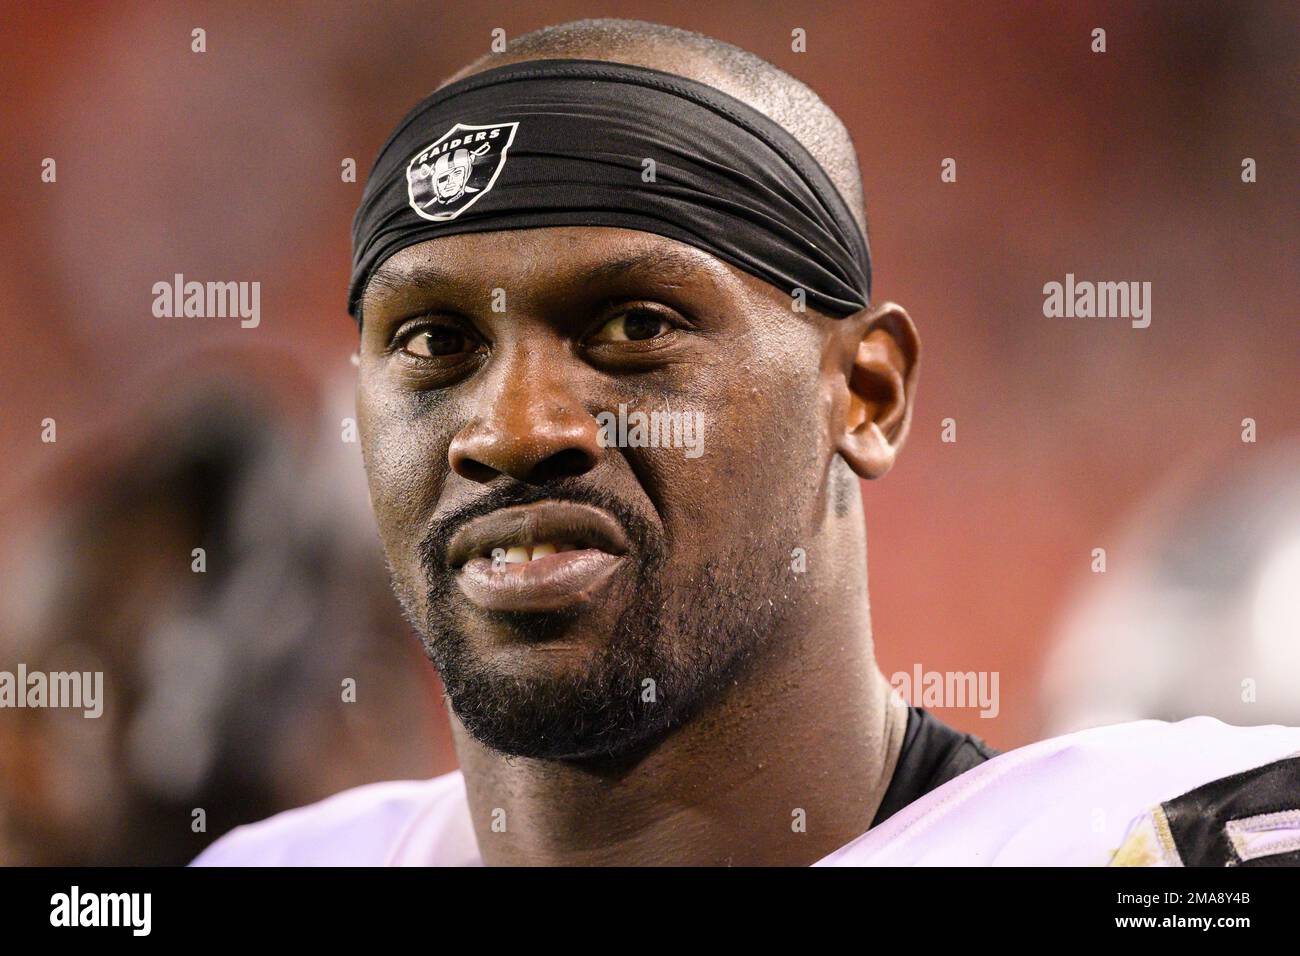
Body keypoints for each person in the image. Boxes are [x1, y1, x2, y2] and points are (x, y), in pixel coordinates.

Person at [193, 18, 1300, 867]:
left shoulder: (1169, 848)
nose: (515, 429)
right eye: (436, 340)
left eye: (633, 326)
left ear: (863, 393)